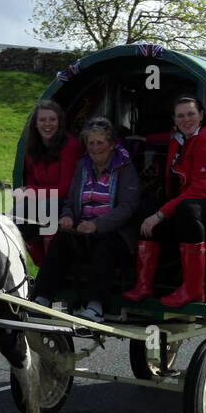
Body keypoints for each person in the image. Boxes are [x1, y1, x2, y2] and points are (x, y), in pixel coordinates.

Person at [122, 93, 206, 307]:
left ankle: (193, 290)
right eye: (181, 116)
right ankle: (143, 285)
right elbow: (167, 138)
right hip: (197, 207)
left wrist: (160, 215)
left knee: (185, 208)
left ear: (202, 115)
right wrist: (143, 140)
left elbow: (200, 191)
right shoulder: (180, 136)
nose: (187, 119)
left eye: (191, 114)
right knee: (147, 208)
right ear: (174, 119)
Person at [32, 118, 140, 322]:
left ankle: (96, 306)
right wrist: (67, 216)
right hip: (83, 232)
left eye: (100, 143)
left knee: (105, 247)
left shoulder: (125, 168)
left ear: (110, 144)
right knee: (61, 240)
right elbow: (71, 202)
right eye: (91, 143)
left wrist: (96, 225)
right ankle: (42, 298)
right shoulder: (82, 167)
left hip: (115, 233)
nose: (95, 147)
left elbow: (128, 207)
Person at [20, 99, 82, 266]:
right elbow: (32, 178)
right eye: (42, 120)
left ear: (60, 122)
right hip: (45, 198)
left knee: (47, 208)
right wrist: (29, 194)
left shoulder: (70, 146)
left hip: (69, 201)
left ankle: (51, 266)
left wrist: (31, 191)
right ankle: (40, 264)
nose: (47, 124)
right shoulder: (32, 146)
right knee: (19, 212)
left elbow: (66, 189)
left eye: (52, 119)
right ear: (35, 123)